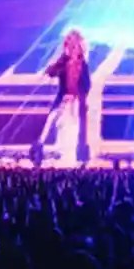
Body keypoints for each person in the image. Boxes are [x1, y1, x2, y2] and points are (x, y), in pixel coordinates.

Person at [42, 29, 91, 166]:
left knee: (74, 127)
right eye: (69, 45)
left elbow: (87, 84)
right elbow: (52, 72)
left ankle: (76, 156)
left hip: (76, 101)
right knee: (54, 120)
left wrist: (78, 96)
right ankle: (45, 148)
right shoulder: (63, 61)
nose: (71, 48)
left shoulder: (82, 64)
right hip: (63, 99)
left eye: (74, 45)